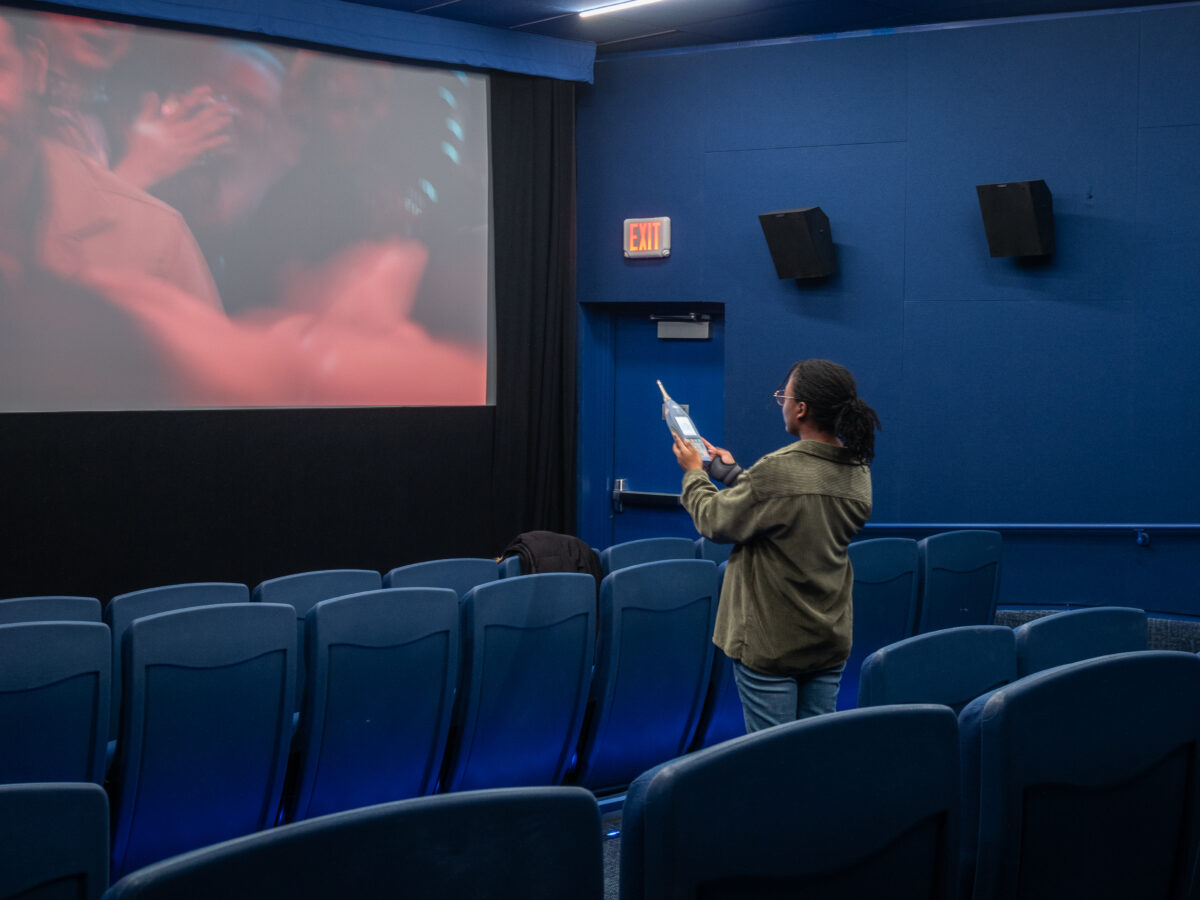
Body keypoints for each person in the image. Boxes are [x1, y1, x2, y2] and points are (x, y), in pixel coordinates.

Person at [671, 359, 881, 731]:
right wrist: (734, 476)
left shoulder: (778, 470)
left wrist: (695, 475)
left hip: (771, 642)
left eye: (784, 395)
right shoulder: (858, 472)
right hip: (827, 639)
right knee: (813, 754)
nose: (781, 402)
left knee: (773, 758)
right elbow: (795, 514)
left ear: (801, 409)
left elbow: (715, 521)